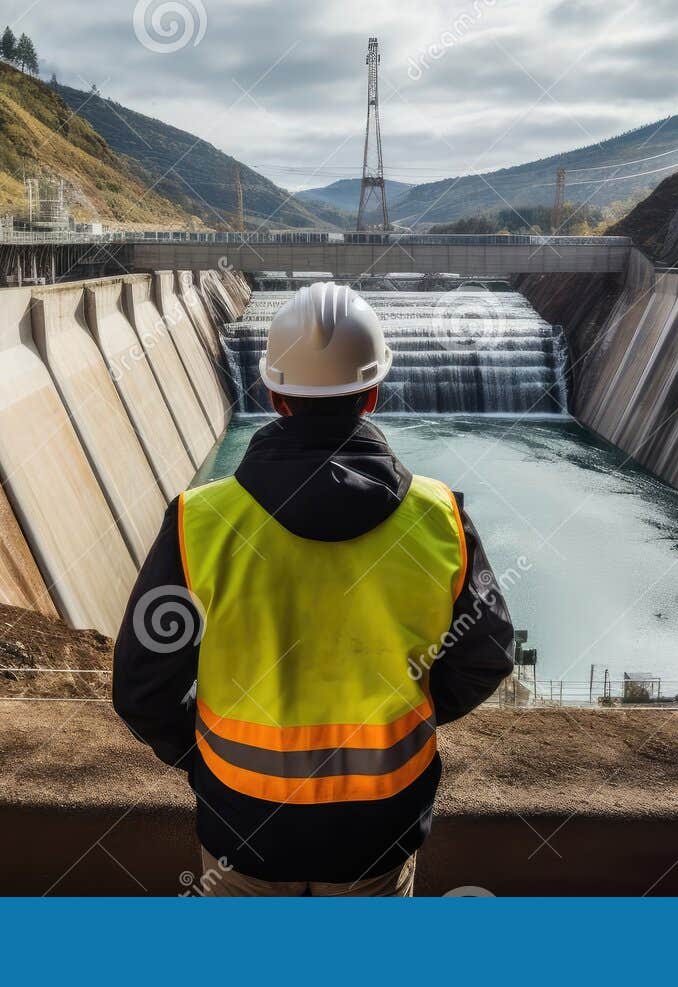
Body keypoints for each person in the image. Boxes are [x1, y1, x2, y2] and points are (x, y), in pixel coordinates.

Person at [112, 281, 515, 896]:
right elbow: (487, 655)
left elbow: (143, 685)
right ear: (373, 395)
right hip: (378, 829)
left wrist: (203, 761)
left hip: (240, 827)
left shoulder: (200, 520)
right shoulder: (441, 519)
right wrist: (413, 719)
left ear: (275, 395)